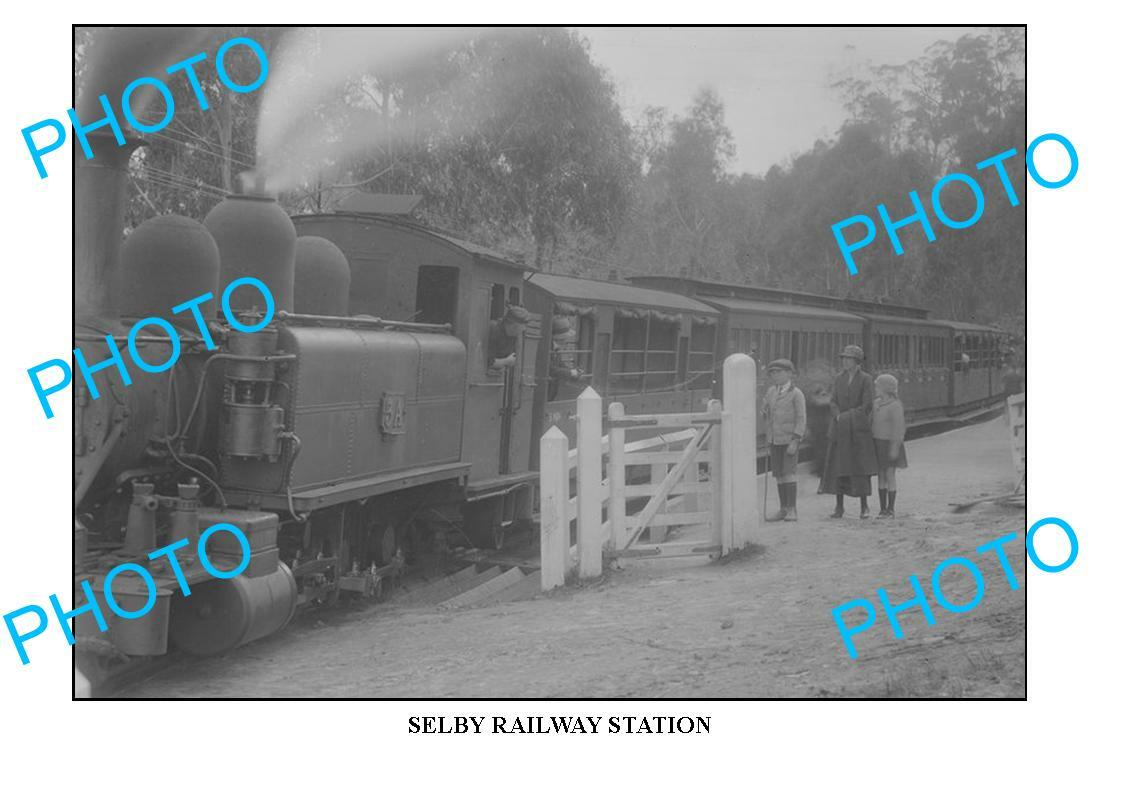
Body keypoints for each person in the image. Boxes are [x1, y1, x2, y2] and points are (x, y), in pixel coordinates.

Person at [818, 344, 879, 519]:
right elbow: (833, 401)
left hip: (858, 430)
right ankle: (839, 507)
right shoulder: (839, 378)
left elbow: (867, 404)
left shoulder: (866, 379)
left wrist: (846, 417)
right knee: (839, 467)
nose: (845, 361)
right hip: (840, 430)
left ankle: (864, 507)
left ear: (857, 361)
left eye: (848, 358)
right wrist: (838, 416)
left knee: (860, 468)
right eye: (843, 358)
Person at [762, 359, 806, 522]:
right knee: (779, 475)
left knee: (789, 474)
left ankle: (792, 509)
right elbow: (767, 415)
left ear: (789, 374)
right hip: (774, 440)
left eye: (779, 372)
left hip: (789, 441)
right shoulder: (771, 392)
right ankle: (783, 509)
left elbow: (801, 419)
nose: (776, 376)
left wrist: (795, 440)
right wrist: (764, 412)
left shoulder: (796, 394)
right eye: (773, 373)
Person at [872, 373, 908, 518]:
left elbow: (899, 429)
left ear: (886, 389)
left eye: (877, 386)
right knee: (881, 475)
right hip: (878, 443)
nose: (875, 389)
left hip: (891, 444)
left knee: (889, 475)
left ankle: (891, 509)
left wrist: (894, 448)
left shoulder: (895, 406)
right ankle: (882, 509)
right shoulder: (876, 404)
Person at [487, 305, 530, 370]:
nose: (524, 329)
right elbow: (487, 362)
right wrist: (506, 361)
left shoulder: (513, 336)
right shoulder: (493, 330)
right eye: (523, 327)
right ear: (514, 326)